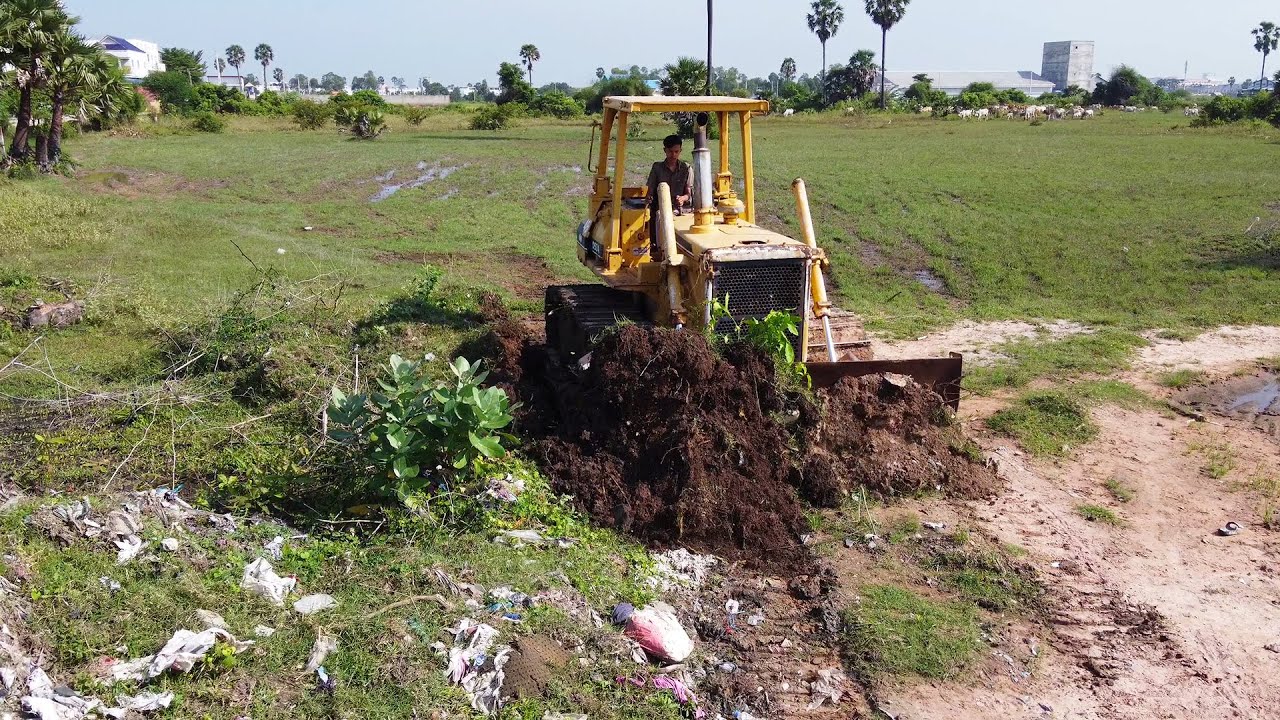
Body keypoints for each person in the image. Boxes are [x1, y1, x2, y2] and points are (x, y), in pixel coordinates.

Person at [646, 135, 692, 214]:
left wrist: (682, 198)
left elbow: (688, 193)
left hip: (681, 210)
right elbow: (650, 191)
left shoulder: (687, 169)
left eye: (676, 152)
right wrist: (649, 197)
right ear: (665, 150)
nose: (673, 155)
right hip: (661, 210)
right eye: (670, 151)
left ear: (680, 150)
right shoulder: (657, 168)